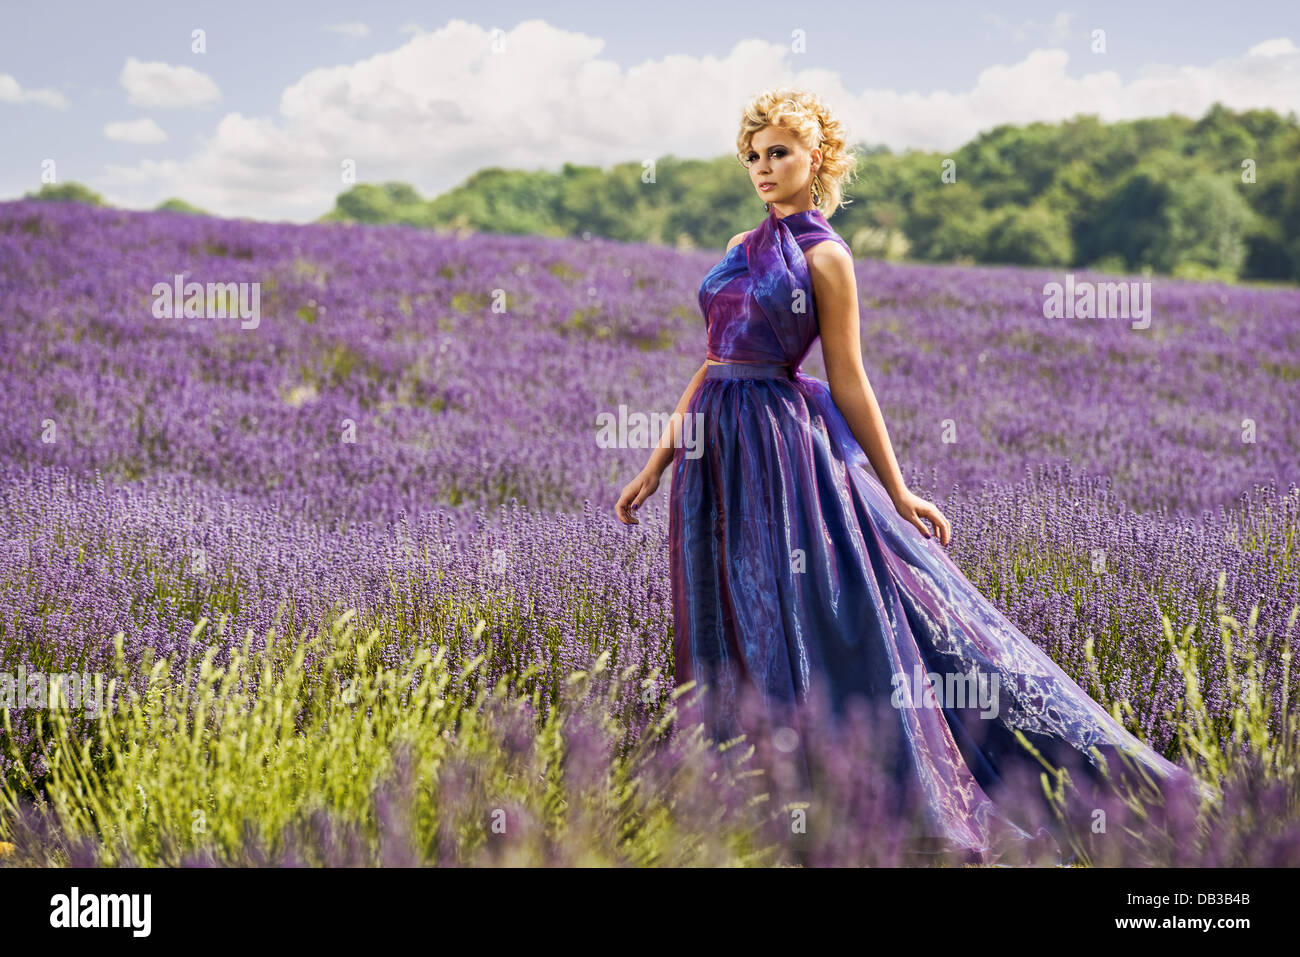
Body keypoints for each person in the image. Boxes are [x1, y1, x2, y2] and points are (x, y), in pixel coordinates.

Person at [614, 87, 1208, 863]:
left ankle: (867, 788)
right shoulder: (736, 243)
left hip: (780, 450)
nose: (763, 167)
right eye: (753, 156)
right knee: (733, 605)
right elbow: (711, 359)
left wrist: (897, 488)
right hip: (713, 452)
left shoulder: (828, 257)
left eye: (780, 152)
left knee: (826, 608)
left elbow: (850, 378)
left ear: (816, 157)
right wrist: (657, 461)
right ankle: (753, 790)